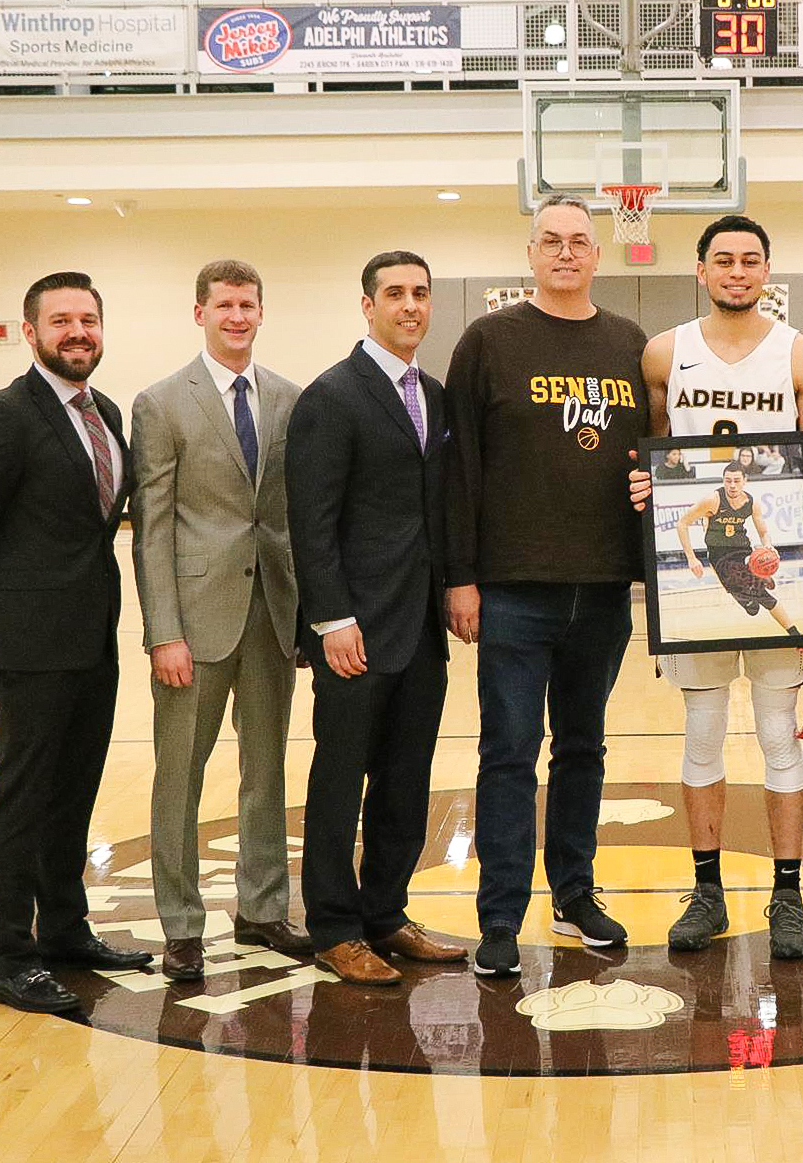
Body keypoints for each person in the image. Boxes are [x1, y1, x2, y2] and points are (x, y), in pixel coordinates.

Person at [0, 271, 153, 1013]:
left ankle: (65, 928)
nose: (78, 332)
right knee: (22, 800)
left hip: (92, 639)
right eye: (61, 320)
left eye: (88, 318)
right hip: (24, 645)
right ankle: (11, 955)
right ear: (30, 332)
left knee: (73, 795)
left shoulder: (107, 411)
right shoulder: (3, 415)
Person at [444, 196, 650, 977]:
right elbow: (458, 471)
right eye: (551, 241)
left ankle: (573, 894)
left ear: (598, 254)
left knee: (584, 749)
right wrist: (460, 577)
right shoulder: (488, 341)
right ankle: (498, 916)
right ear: (530, 253)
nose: (565, 253)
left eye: (579, 242)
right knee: (508, 753)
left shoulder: (628, 343)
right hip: (512, 591)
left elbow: (652, 458)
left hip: (601, 587)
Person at [635, 214, 803, 961]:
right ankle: (707, 891)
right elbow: (653, 463)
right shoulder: (664, 353)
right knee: (703, 731)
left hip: (775, 562)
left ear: (767, 272)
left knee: (778, 729)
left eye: (751, 260)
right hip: (696, 584)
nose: (737, 271)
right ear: (700, 269)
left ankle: (786, 894)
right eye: (724, 260)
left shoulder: (801, 355)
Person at [286, 251, 468, 985]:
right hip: (355, 627)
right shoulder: (331, 396)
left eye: (420, 293)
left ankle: (386, 912)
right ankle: (333, 925)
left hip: (420, 624)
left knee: (404, 778)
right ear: (366, 305)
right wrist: (332, 619)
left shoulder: (436, 393)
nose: (410, 306)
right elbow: (311, 518)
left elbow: (443, 506)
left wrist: (456, 585)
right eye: (394, 293)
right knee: (339, 779)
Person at [129, 261, 310, 982]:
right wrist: (161, 630)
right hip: (194, 622)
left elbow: (289, 515)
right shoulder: (162, 402)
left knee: (265, 770)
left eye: (248, 305)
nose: (237, 316)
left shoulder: (289, 399)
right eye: (224, 305)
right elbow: (152, 526)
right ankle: (180, 925)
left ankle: (263, 908)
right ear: (198, 312)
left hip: (271, 611)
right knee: (180, 776)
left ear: (261, 313)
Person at [675, 464, 803, 636]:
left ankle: (794, 634)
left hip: (743, 550)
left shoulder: (751, 502)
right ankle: (752, 588)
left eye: (736, 481)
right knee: (751, 607)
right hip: (720, 557)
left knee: (763, 597)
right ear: (723, 481)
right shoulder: (712, 500)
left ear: (745, 481)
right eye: (728, 481)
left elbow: (763, 532)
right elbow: (682, 523)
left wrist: (768, 545)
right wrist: (691, 558)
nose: (732, 485)